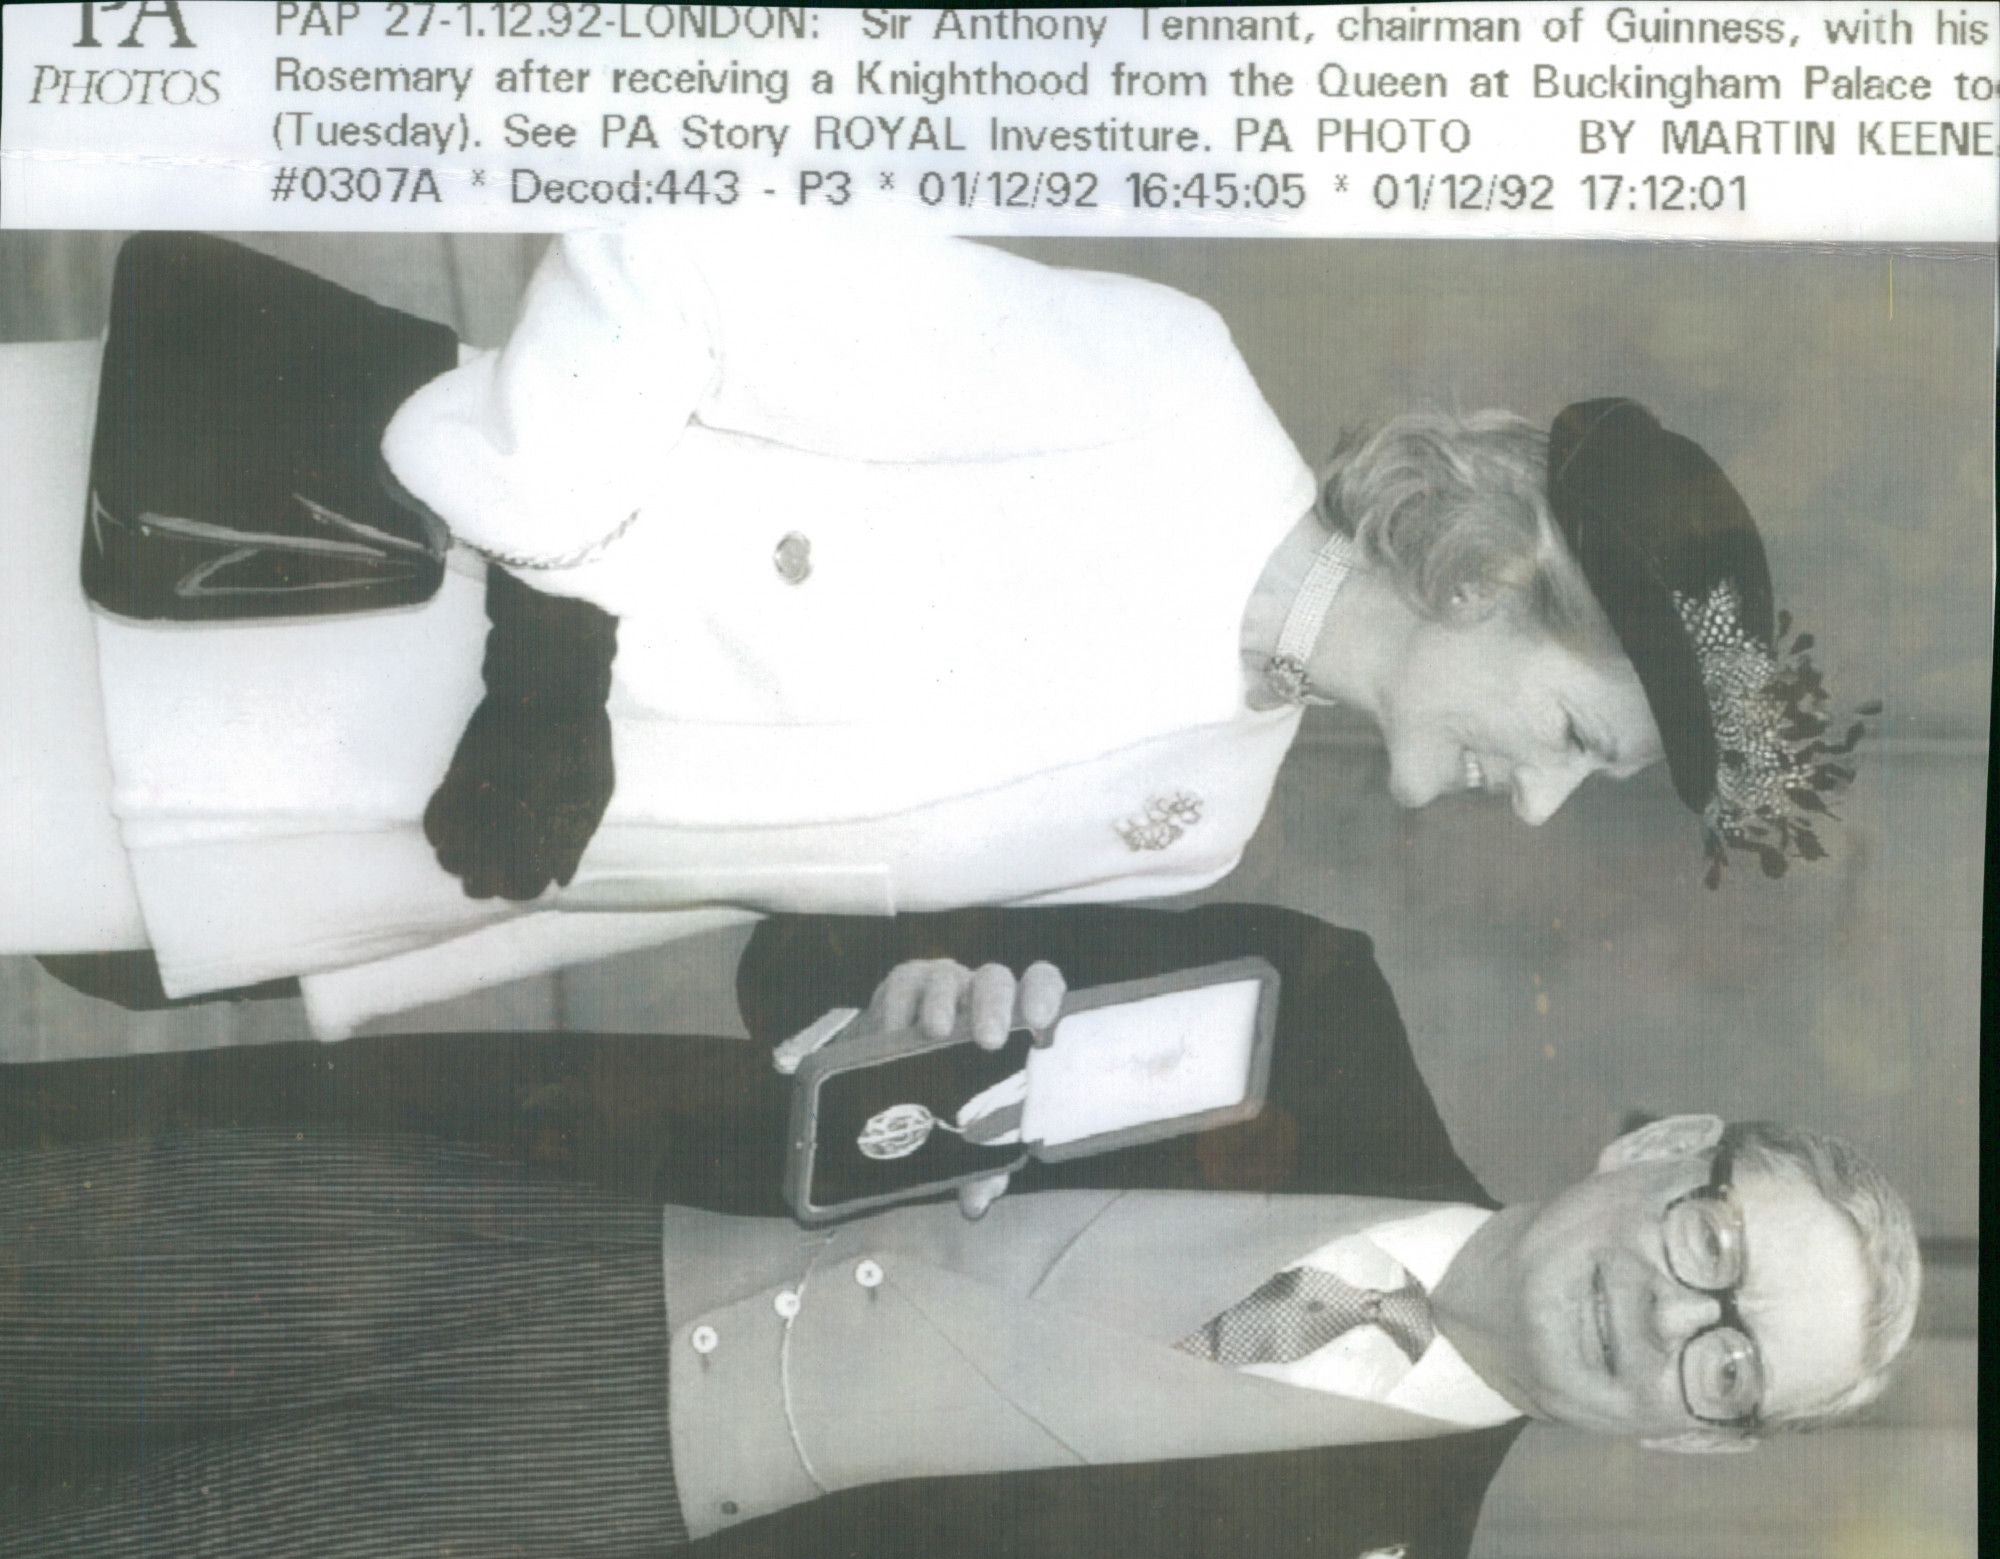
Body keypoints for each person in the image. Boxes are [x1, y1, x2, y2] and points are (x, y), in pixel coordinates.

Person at [0, 905, 1922, 1559]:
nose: (1675, 1326)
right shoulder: (1306, 1004)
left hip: (534, 1556)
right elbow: (814, 941)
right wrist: (885, 1009)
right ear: (1665, 1144)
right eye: (1711, 1249)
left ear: (1690, 1438)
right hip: (474, 1206)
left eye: (1731, 1370)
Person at [9, 230, 1868, 1035]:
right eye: (1574, 742)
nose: (1534, 808)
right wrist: (552, 645)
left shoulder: (1201, 821)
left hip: (249, 861)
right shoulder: (1164, 391)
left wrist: (334, 961)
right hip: (215, 583)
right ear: (1495, 580)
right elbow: (689, 234)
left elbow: (749, 906)